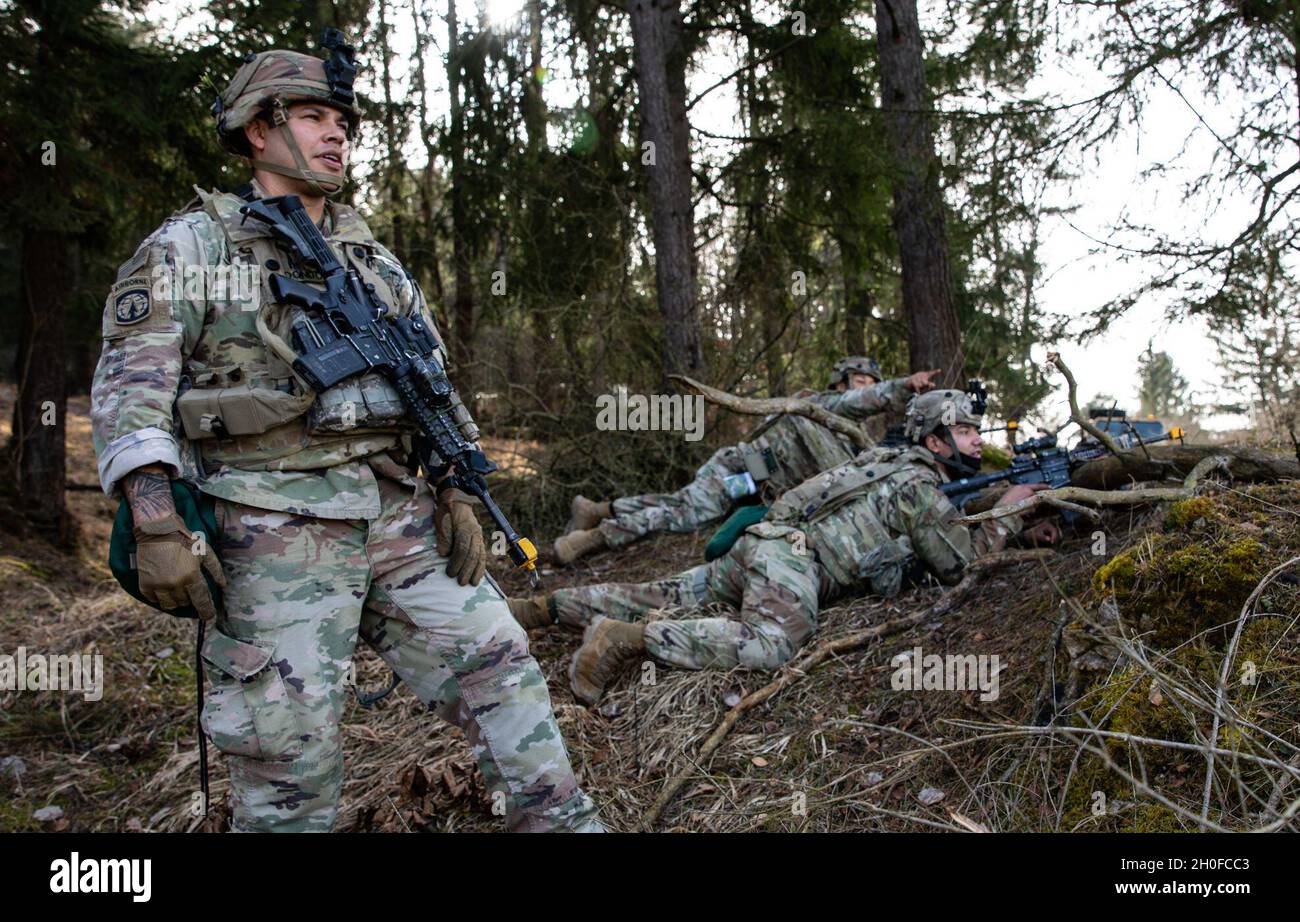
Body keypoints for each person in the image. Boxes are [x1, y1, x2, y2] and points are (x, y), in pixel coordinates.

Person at [89, 36, 601, 832]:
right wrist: (155, 518)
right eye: (314, 116)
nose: (338, 135)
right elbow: (131, 393)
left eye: (345, 123)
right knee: (288, 759)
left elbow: (431, 381)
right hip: (269, 527)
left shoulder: (374, 263)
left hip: (395, 518)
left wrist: (459, 487)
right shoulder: (193, 247)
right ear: (258, 130)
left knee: (500, 665)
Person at [509, 389, 1058, 705]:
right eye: (966, 432)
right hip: (791, 563)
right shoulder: (917, 486)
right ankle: (624, 638)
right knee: (771, 645)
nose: (978, 441)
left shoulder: (885, 464)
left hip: (763, 544)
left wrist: (1011, 513)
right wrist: (1011, 507)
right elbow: (960, 564)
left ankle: (537, 609)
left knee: (663, 590)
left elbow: (941, 526)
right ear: (936, 441)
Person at [552, 357, 941, 565]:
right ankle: (594, 538)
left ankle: (596, 509)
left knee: (680, 505)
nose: (867, 389)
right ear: (841, 383)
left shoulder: (854, 440)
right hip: (741, 468)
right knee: (687, 513)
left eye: (874, 382)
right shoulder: (822, 403)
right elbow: (861, 403)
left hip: (755, 489)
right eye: (861, 381)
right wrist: (902, 386)